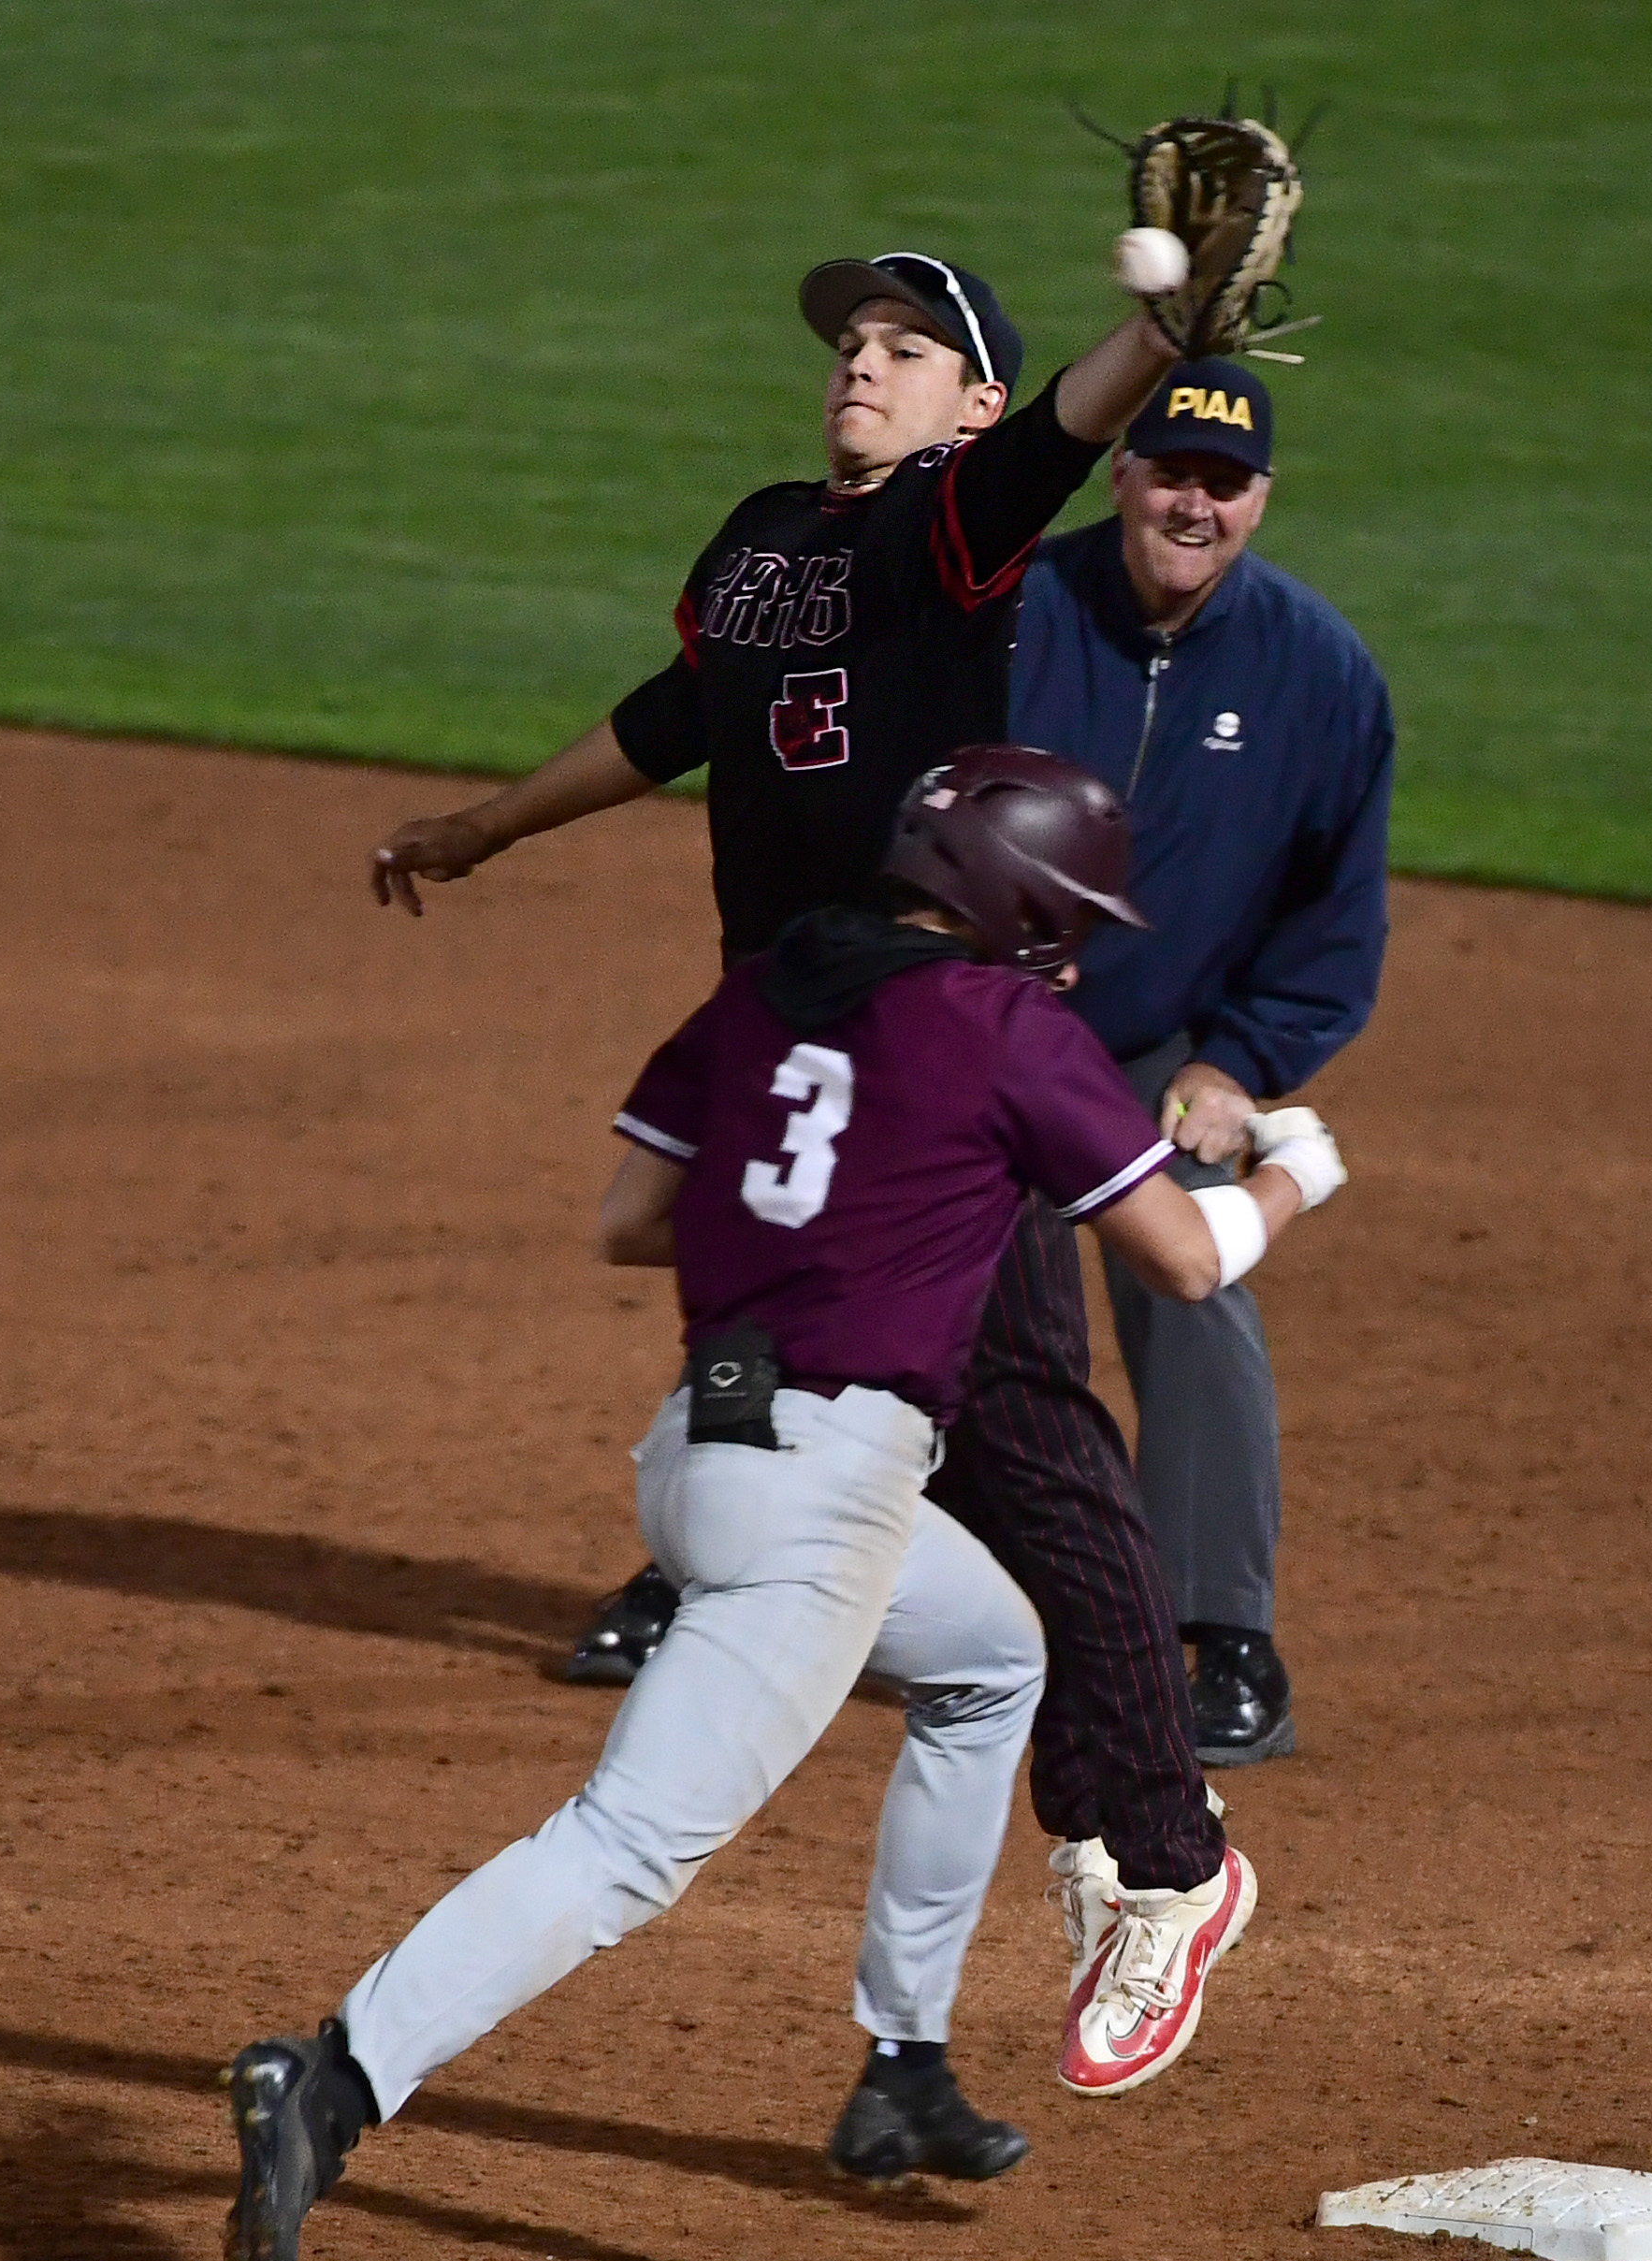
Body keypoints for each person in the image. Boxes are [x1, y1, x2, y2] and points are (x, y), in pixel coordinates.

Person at [227, 750, 1348, 2261]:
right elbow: (1183, 1257)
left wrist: (836, 1223)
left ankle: (905, 2065)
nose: (1080, 955)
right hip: (823, 1489)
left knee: (991, 1656)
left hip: (709, 1435)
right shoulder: (1002, 1023)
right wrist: (1303, 1169)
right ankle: (334, 2078)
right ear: (1013, 907)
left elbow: (632, 1220)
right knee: (625, 1845)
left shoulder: (766, 989)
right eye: (1068, 918)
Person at [367, 249, 1243, 2085]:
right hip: (786, 1031)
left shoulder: (954, 524)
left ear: (970, 404)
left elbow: (1072, 438)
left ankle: (1163, 1860)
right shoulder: (764, 537)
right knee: (922, 1412)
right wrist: (487, 829)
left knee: (1017, 1415)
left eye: (913, 349)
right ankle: (1104, 1817)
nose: (866, 365)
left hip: (927, 1038)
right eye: (853, 341)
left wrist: (1168, 328)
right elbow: (675, 722)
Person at [1012, 356, 1392, 1766]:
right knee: (841, 1222)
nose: (1192, 503)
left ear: (1261, 499)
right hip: (972, 1014)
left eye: (1223, 484)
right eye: (1169, 470)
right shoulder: (1017, 608)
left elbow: (1335, 920)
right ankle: (703, 1571)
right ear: (1119, 471)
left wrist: (1239, 1061)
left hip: (1152, 1046)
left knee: (1193, 1266)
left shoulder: (1321, 673)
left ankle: (1224, 1639)